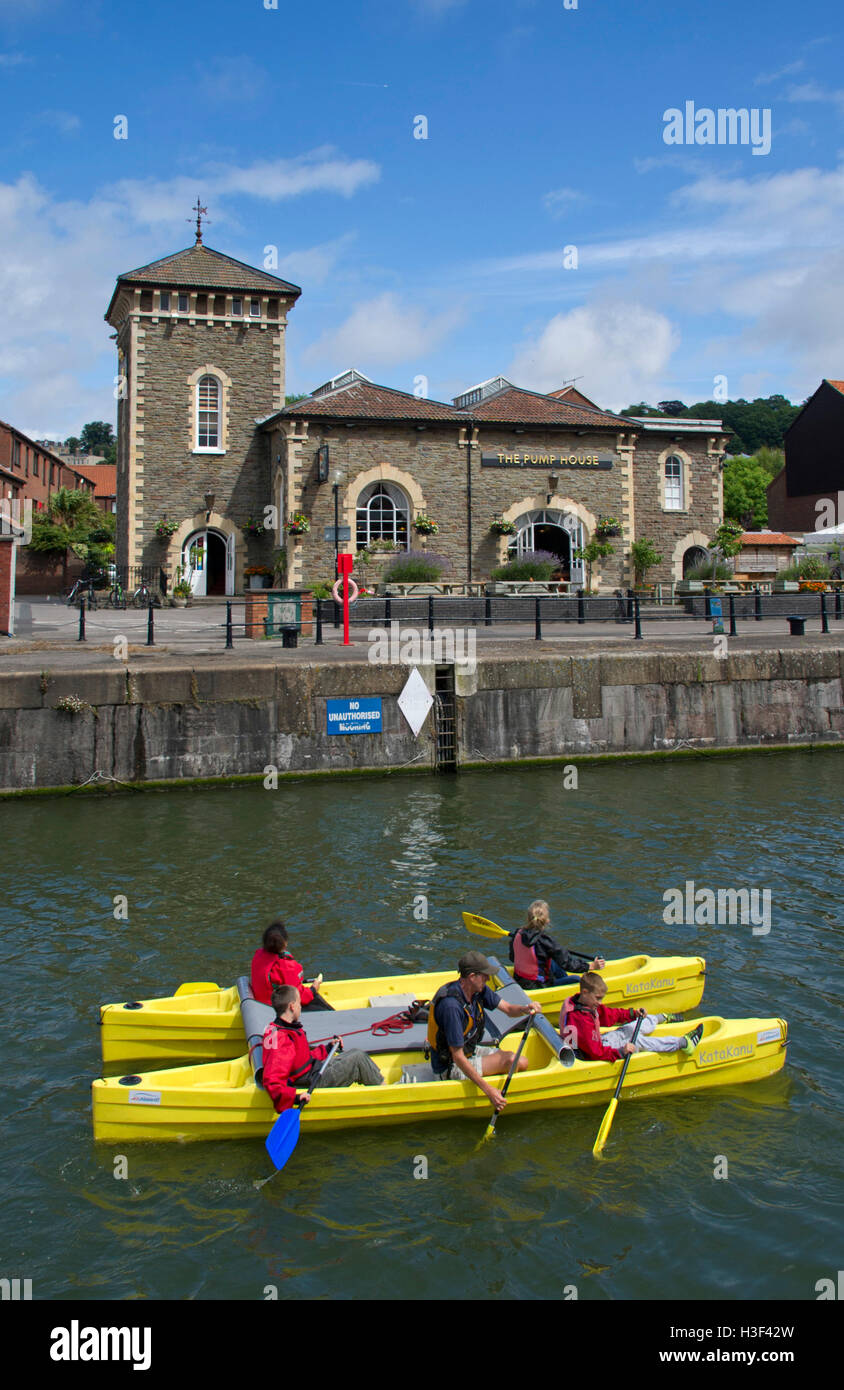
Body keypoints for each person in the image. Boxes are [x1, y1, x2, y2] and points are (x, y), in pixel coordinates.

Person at [427, 951, 541, 1113]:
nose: (488, 978)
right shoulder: (451, 1007)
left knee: (521, 1062)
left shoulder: (477, 990)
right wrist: (489, 1091)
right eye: (484, 975)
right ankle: (494, 1093)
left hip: (469, 1050)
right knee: (513, 1061)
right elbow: (457, 1056)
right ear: (472, 977)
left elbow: (508, 1009)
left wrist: (525, 1009)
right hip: (450, 1067)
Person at [261, 985, 384, 1113]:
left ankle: (380, 1084)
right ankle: (386, 1092)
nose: (300, 1007)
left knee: (354, 1053)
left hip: (312, 1072)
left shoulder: (281, 1029)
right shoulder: (283, 1039)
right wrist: (296, 1098)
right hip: (310, 1083)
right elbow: (272, 1080)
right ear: (292, 1006)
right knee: (358, 1058)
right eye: (299, 1003)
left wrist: (328, 1048)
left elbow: (303, 1060)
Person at [560, 971, 703, 1062]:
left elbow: (608, 1015)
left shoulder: (580, 1003)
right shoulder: (581, 1020)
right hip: (590, 1056)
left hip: (597, 1045)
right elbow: (596, 1053)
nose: (600, 1002)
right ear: (585, 992)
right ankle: (683, 1043)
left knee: (628, 1030)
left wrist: (633, 1014)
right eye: (598, 998)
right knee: (638, 1041)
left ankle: (658, 1018)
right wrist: (621, 1052)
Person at [510, 899, 605, 989]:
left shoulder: (518, 933)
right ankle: (562, 984)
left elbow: (512, 958)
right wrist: (591, 966)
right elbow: (568, 963)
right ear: (547, 920)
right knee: (576, 979)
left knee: (553, 961)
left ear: (528, 918)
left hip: (519, 979)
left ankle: (563, 979)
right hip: (538, 985)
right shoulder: (546, 941)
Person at [250, 919, 332, 1011]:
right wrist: (313, 988)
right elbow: (300, 997)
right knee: (325, 1009)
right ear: (285, 943)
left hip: (261, 1004)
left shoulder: (258, 955)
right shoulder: (287, 966)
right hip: (276, 1010)